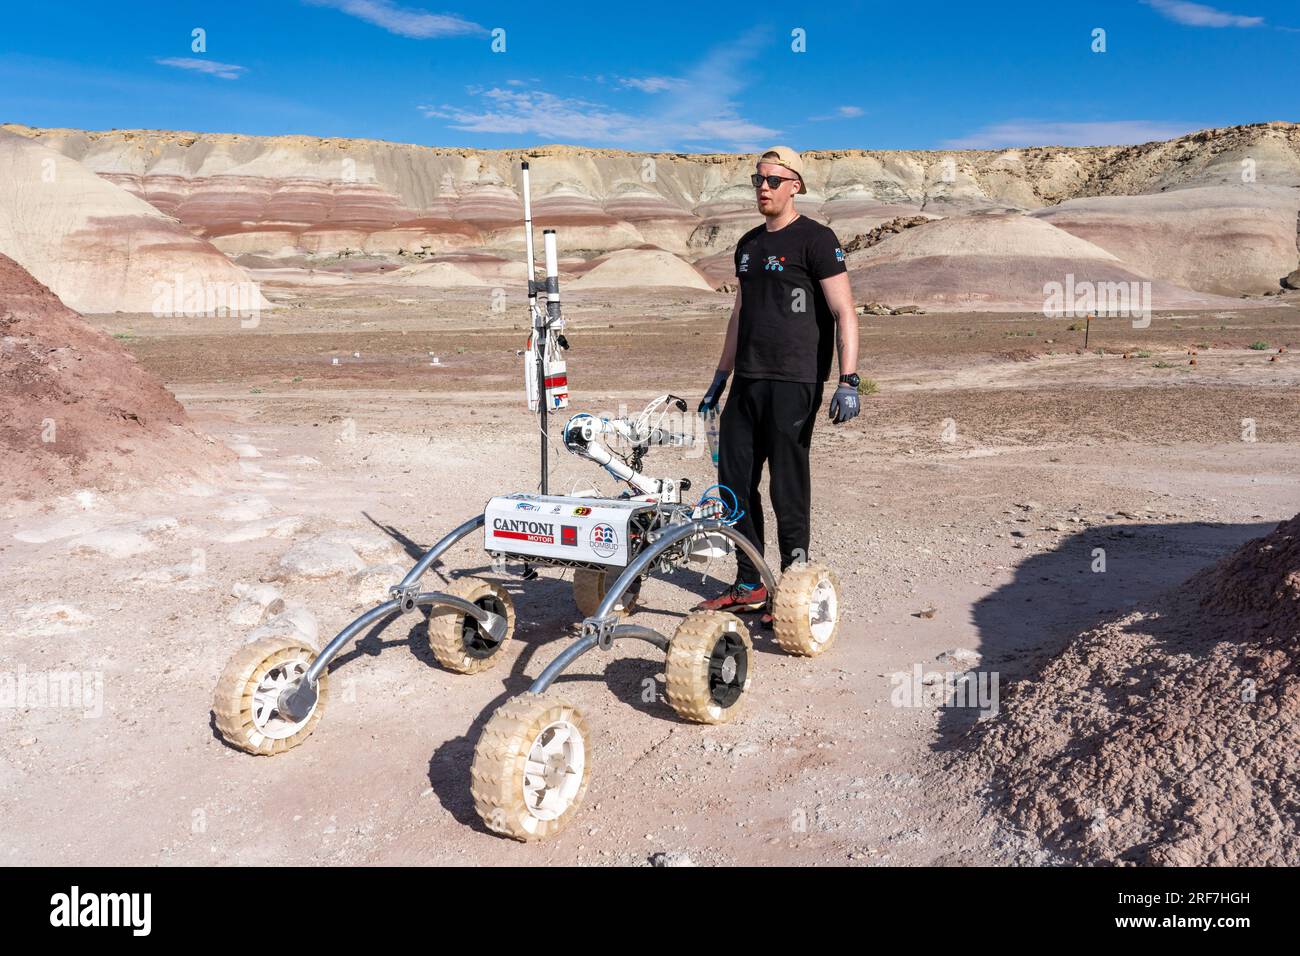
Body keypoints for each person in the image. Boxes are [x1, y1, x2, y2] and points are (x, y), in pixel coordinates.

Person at [696, 145, 860, 622]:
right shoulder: (748, 245)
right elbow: (740, 312)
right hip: (747, 379)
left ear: (796, 186)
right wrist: (718, 379)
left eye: (772, 180)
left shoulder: (816, 239)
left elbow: (843, 311)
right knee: (734, 482)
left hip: (795, 380)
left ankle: (794, 582)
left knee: (786, 481)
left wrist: (848, 380)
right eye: (757, 180)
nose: (762, 188)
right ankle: (749, 582)